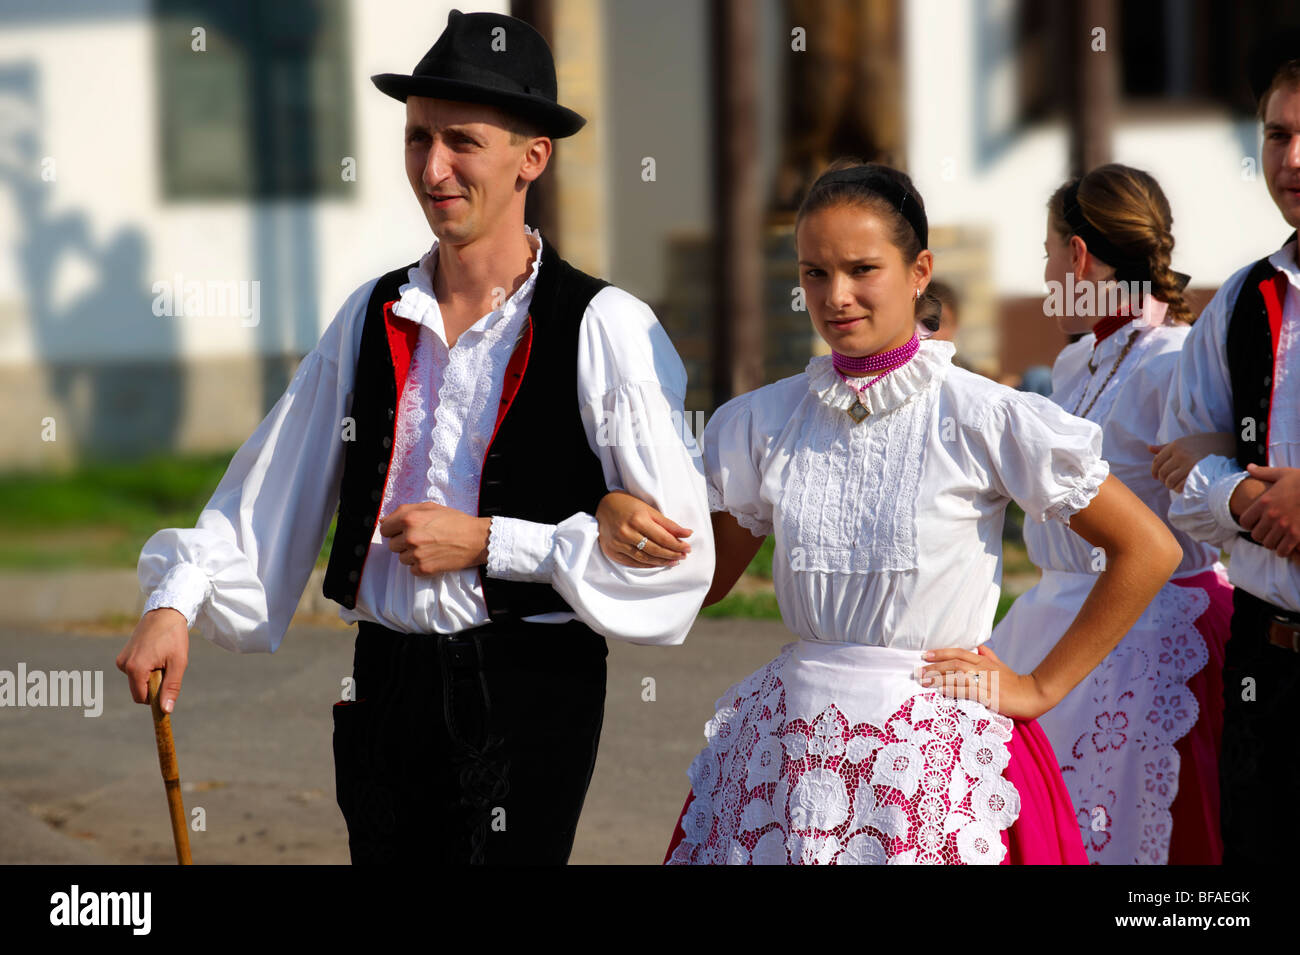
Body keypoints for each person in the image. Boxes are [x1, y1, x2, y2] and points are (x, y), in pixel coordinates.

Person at [115, 8, 714, 865]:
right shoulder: (369, 315)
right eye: (416, 139)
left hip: (525, 693)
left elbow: (681, 563)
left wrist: (493, 542)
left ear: (531, 157)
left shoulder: (604, 326)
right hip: (384, 688)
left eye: (461, 141)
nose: (433, 168)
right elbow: (270, 491)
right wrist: (176, 601)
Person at [596, 160, 1183, 865]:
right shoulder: (760, 421)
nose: (835, 295)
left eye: (862, 268)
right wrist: (619, 513)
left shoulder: (984, 414)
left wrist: (1038, 685)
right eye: (814, 272)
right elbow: (705, 582)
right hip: (791, 751)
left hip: (936, 765)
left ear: (920, 270)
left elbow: (1149, 548)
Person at [989, 163, 1234, 864]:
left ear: (1076, 256)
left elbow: (1258, 439)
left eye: (1045, 253)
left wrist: (1218, 442)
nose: (1042, 276)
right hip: (1054, 614)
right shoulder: (1077, 364)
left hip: (1149, 627)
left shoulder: (1173, 358)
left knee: (1150, 843)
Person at [1153, 35, 1300, 865]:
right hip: (1267, 664)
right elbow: (1185, 472)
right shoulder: (1242, 302)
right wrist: (1248, 501)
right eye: (1277, 135)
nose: (1292, 156)